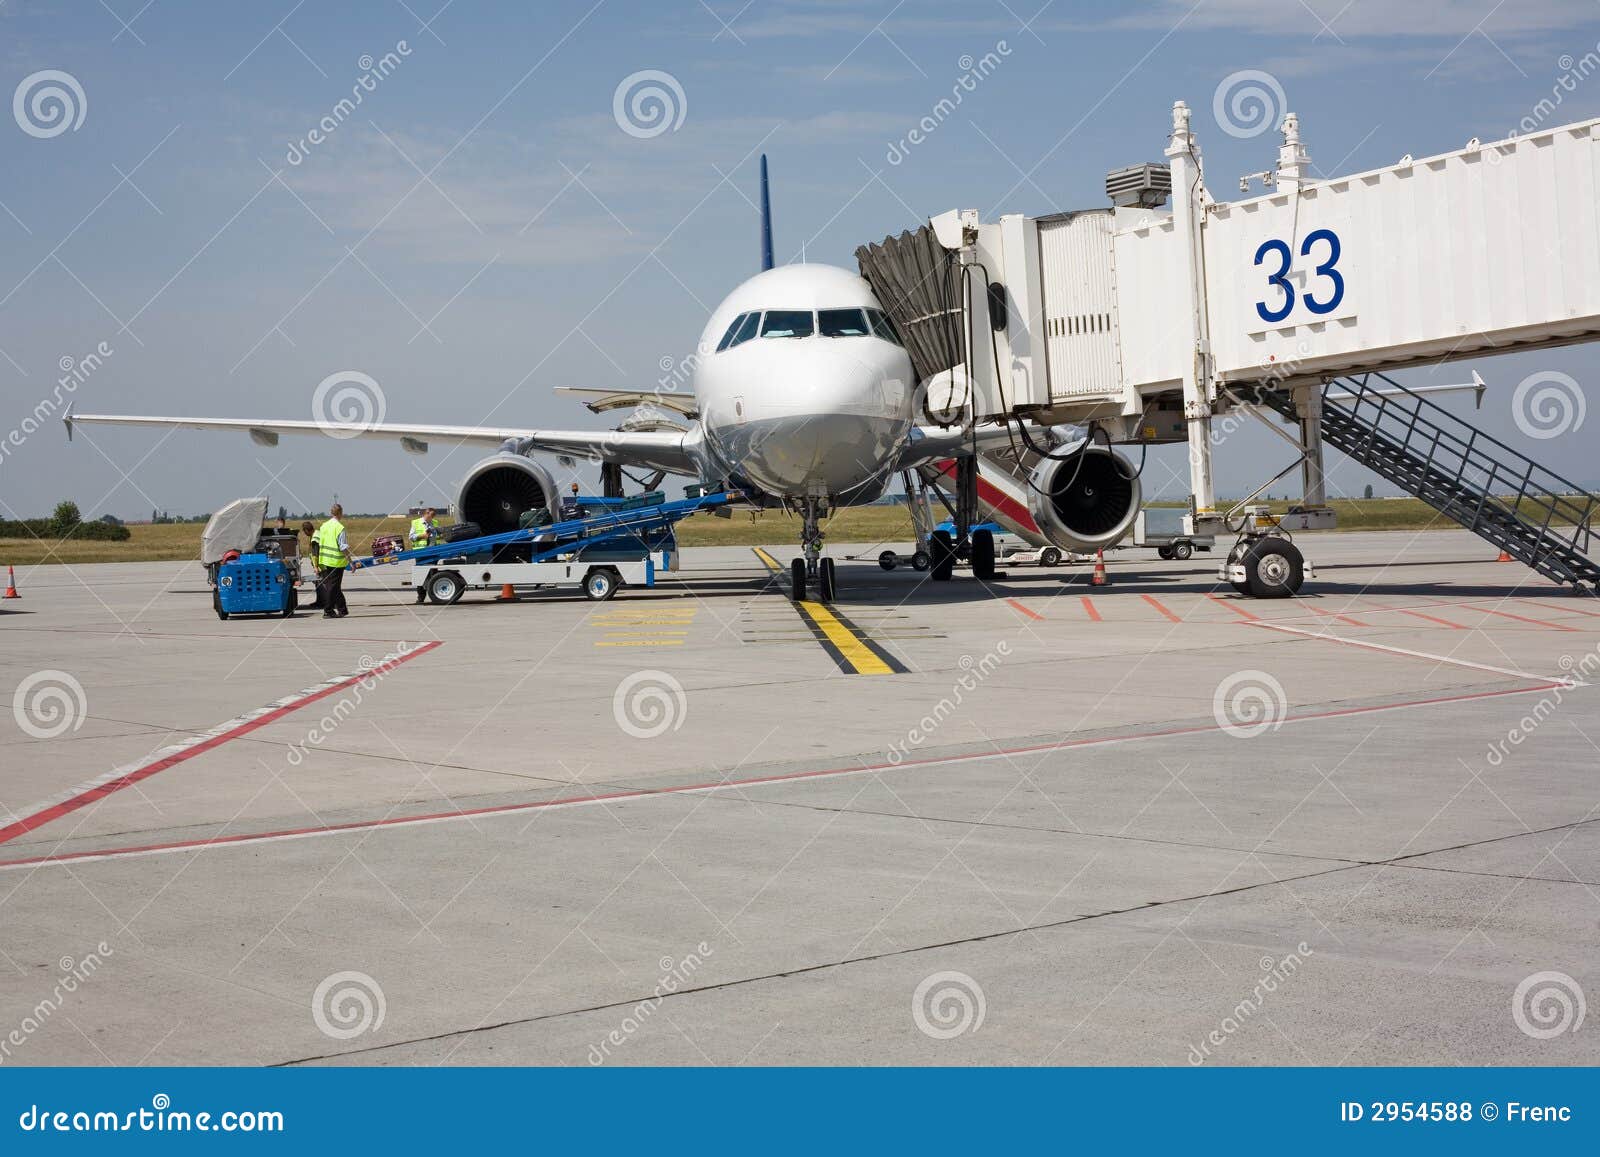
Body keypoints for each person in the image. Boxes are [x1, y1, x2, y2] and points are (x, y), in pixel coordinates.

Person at [312, 504, 352, 618]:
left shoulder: (324, 526)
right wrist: (350, 561)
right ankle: (328, 610)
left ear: (331, 513)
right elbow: (343, 547)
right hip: (336, 561)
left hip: (325, 560)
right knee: (333, 586)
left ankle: (342, 609)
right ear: (340, 513)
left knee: (334, 586)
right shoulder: (339, 528)